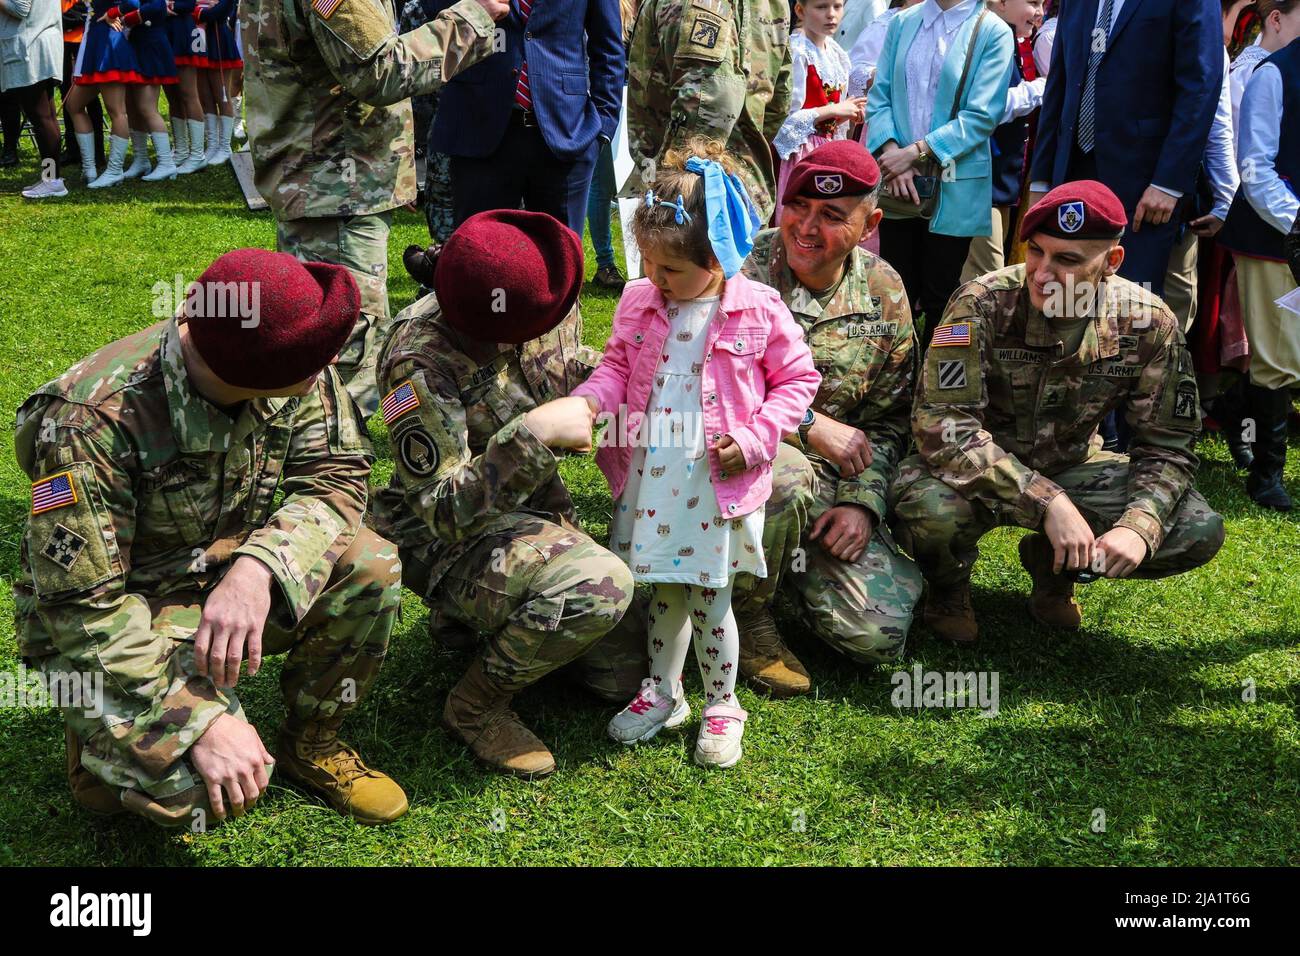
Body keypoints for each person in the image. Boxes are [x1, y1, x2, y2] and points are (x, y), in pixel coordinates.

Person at [14, 249, 410, 827]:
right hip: (122, 611)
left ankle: (312, 742)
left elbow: (338, 473)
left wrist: (259, 567)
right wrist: (196, 720)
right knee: (190, 794)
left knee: (371, 566)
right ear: (247, 375)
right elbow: (82, 609)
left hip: (224, 575)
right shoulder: (89, 423)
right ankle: (97, 750)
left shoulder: (285, 354)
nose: (327, 371)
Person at [372, 210, 648, 779]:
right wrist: (535, 435)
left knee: (623, 674)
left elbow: (567, 365)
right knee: (599, 587)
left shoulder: (540, 294)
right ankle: (474, 705)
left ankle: (491, 623)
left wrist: (620, 389)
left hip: (534, 511)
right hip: (445, 533)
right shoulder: (414, 363)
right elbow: (439, 508)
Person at [890, 182, 1225, 643]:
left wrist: (1137, 526)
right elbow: (944, 431)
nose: (1043, 273)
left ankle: (1054, 567)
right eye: (1037, 253)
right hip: (978, 470)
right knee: (927, 508)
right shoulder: (982, 304)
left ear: (1111, 263)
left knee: (1195, 529)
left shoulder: (1147, 321)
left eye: (1067, 260)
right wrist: (1048, 503)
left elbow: (1167, 445)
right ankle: (948, 588)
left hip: (1073, 464)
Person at [573, 140, 820, 767]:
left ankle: (722, 700)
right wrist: (589, 403)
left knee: (711, 595)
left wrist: (758, 437)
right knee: (663, 589)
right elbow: (615, 366)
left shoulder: (757, 309)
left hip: (715, 482)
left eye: (671, 270)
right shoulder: (640, 300)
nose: (656, 279)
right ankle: (662, 690)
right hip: (653, 478)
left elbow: (798, 381)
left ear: (717, 259)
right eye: (649, 264)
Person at [240, 0, 508, 419]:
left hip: (321, 183)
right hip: (336, 187)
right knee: (346, 358)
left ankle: (314, 456)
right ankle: (335, 473)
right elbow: (382, 71)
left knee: (314, 341)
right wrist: (473, 18)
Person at [739, 139, 924, 689]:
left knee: (878, 632)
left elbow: (889, 419)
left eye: (832, 216)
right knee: (787, 476)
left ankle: (784, 571)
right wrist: (806, 424)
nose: (806, 227)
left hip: (826, 489)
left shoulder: (885, 291)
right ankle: (747, 616)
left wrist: (861, 504)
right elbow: (706, 390)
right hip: (737, 469)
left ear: (871, 225)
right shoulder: (742, 270)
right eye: (798, 205)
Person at [1028, 0, 1223, 299]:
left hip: (1143, 188)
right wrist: (1041, 179)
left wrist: (1168, 183)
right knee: (1064, 301)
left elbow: (1200, 86)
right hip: (1071, 174)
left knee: (1129, 311)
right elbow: (1059, 81)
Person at [865, 0, 1014, 343]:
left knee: (945, 300)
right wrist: (892, 156)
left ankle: (943, 387)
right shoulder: (903, 22)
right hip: (897, 183)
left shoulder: (993, 31)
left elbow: (981, 116)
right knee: (892, 293)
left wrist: (914, 153)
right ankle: (893, 387)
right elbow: (880, 95)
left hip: (955, 186)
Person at [429, 0, 625, 237]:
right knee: (481, 257)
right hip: (478, 129)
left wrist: (602, 129)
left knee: (560, 259)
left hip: (566, 134)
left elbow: (608, 50)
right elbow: (432, 10)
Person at [1218, 31, 1300, 511]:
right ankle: (1267, 475)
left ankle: (1233, 409)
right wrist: (1298, 223)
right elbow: (1256, 167)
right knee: (1278, 356)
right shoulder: (1274, 72)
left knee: (1288, 353)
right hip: (1273, 236)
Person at [624, 0, 793, 224]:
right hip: (739, 190)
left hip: (693, 201)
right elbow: (779, 99)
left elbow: (708, 100)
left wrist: (677, 185)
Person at [959, 0, 1045, 283]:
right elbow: (991, 107)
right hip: (980, 178)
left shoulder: (1011, 39)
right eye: (1032, 2)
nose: (1040, 12)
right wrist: (1043, 87)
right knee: (988, 277)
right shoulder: (990, 41)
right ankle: (965, 328)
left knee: (990, 271)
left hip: (1000, 183)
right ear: (999, 2)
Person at [773, 0, 867, 223]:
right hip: (798, 154)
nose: (831, 15)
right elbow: (785, 122)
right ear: (800, 10)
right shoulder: (797, 50)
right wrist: (833, 109)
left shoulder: (836, 53)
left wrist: (845, 114)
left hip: (827, 151)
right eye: (821, 7)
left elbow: (832, 119)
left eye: (837, 6)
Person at [1, 0, 66, 198]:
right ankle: (51, 178)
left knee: (41, 118)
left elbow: (21, 8)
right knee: (46, 117)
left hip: (31, 47)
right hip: (39, 43)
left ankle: (52, 181)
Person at [115, 0, 180, 181]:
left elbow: (156, 6)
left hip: (151, 44)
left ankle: (166, 162)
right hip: (135, 43)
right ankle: (141, 159)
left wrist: (125, 18)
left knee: (146, 107)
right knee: (132, 106)